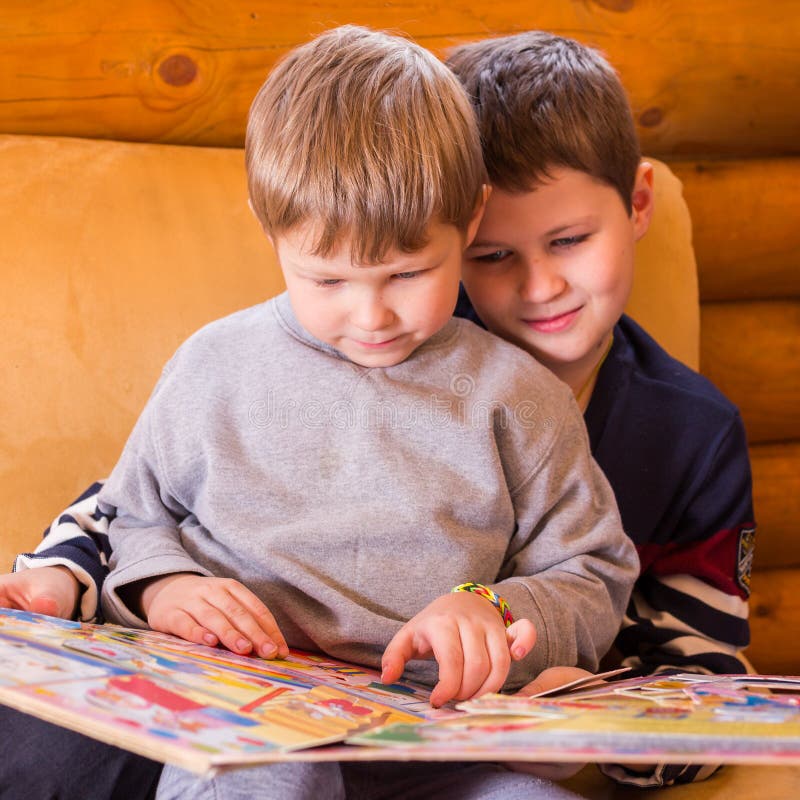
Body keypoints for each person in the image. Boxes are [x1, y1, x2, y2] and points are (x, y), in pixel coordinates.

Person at [1, 25, 755, 795]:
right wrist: (151, 587)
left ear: (461, 219)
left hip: (440, 743)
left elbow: (617, 598)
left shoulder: (539, 401)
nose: (372, 316)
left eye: (407, 274)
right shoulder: (226, 361)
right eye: (495, 258)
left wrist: (529, 653)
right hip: (248, 717)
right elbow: (128, 509)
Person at [445, 31, 756, 787]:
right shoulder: (384, 362)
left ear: (639, 202)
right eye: (492, 256)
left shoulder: (696, 436)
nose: (540, 286)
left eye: (569, 240)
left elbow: (707, 677)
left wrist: (598, 714)